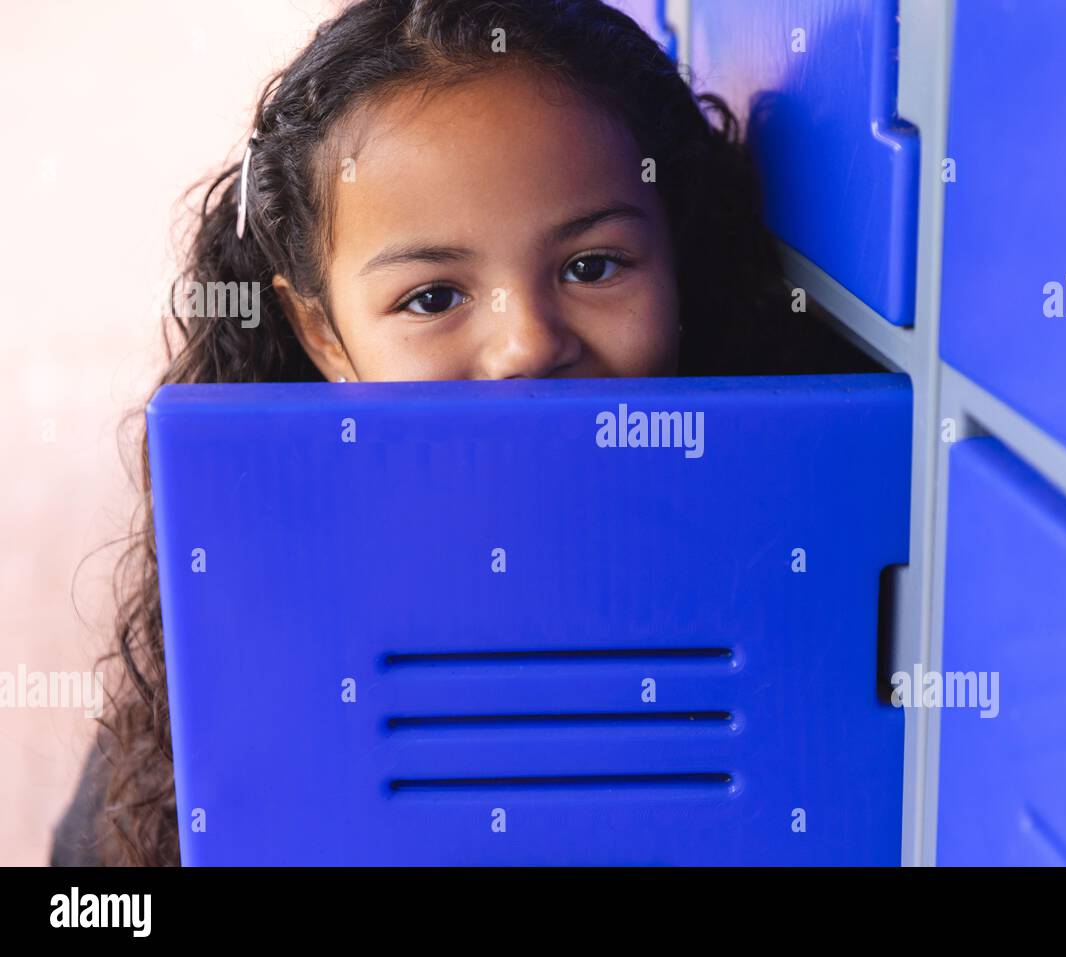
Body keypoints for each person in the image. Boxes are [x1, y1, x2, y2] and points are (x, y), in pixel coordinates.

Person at [51, 0, 872, 866]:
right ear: (324, 334)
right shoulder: (240, 642)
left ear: (675, 263)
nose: (526, 346)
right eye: (433, 297)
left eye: (592, 266)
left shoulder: (797, 553)